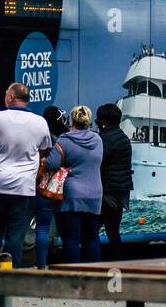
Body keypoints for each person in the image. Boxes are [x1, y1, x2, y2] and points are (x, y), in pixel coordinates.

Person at [0, 83, 52, 267]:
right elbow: (44, 149)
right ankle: (13, 276)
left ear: (11, 96)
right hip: (23, 188)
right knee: (16, 237)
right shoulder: (40, 122)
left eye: (6, 93)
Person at [56, 105, 104, 263]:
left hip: (72, 197)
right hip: (95, 196)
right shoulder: (98, 140)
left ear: (72, 120)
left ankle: (73, 276)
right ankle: (95, 275)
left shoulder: (65, 139)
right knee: (91, 238)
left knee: (71, 239)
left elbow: (51, 164)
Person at [33, 106, 69, 268]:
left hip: (45, 187)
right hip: (64, 187)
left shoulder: (43, 137)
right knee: (67, 232)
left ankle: (41, 265)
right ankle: (68, 265)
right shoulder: (67, 137)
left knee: (42, 229)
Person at [96, 103, 133, 261]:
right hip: (121, 192)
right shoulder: (123, 138)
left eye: (98, 121)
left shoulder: (106, 139)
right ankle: (117, 264)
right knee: (113, 232)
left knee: (90, 232)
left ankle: (94, 262)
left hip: (107, 193)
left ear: (104, 122)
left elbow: (98, 162)